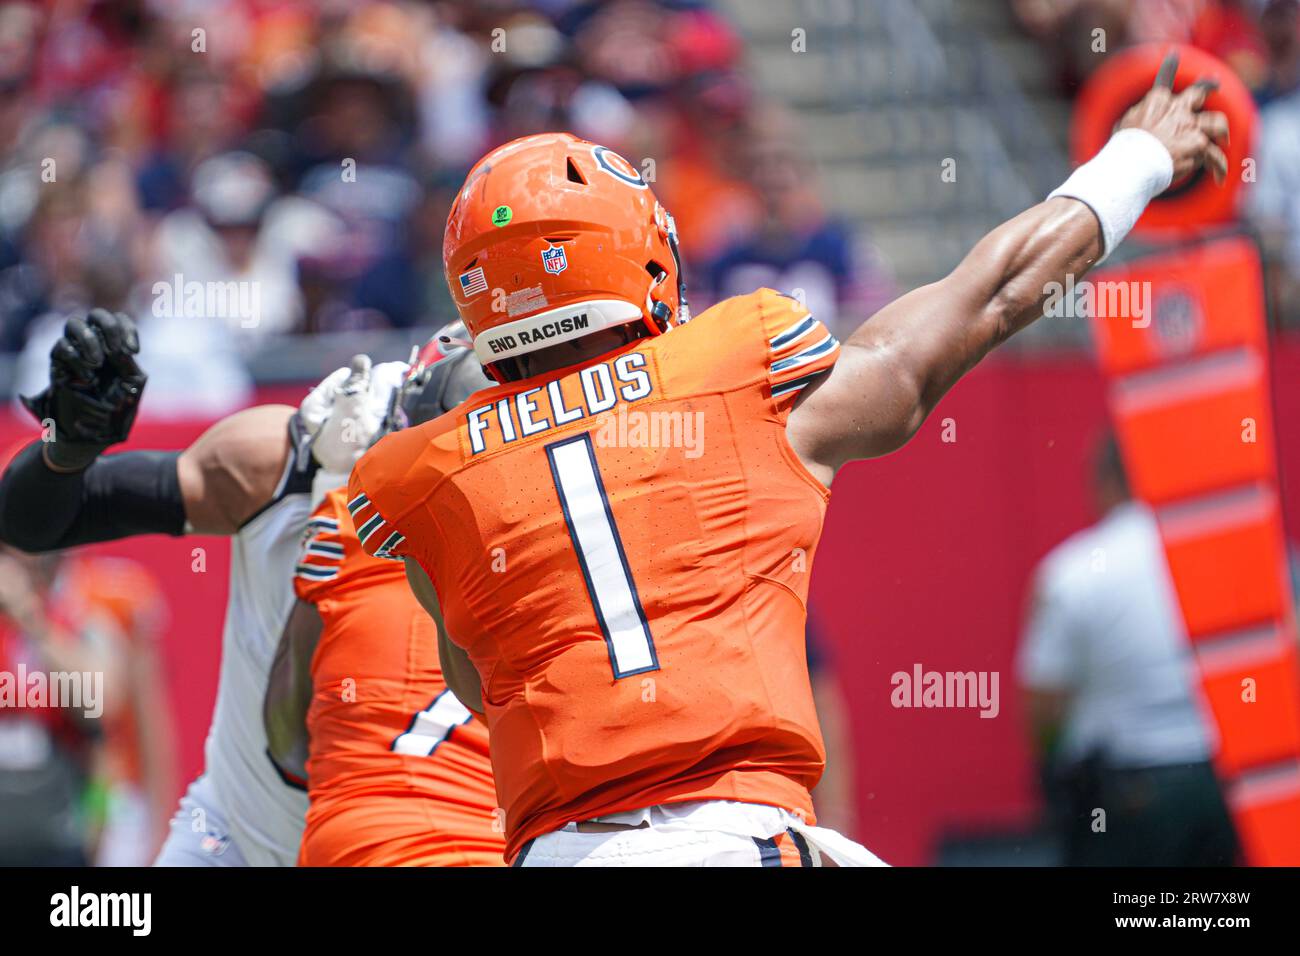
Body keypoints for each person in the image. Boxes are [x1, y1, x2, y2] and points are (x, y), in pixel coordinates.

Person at [348, 53, 1229, 866]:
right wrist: (1138, 157)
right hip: (735, 833)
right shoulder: (740, 361)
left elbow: (482, 686)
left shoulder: (417, 474)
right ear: (641, 250)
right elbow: (985, 300)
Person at [0, 308, 404, 866]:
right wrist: (65, 453)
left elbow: (299, 742)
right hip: (235, 830)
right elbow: (32, 521)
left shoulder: (494, 530)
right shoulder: (272, 463)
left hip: (402, 825)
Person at [263, 336, 506, 866]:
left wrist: (330, 478)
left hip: (361, 842)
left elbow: (284, 738)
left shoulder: (350, 515)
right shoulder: (554, 520)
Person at [1017, 434, 1239, 866]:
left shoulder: (1072, 572)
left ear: (1106, 481)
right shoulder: (1221, 554)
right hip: (1219, 788)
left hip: (1124, 798)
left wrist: (1056, 769)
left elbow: (1042, 712)